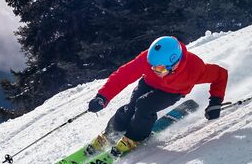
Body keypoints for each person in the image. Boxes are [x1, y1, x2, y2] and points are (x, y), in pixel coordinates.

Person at [86, 36, 228, 154]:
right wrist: (103, 97)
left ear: (175, 62)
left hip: (171, 92)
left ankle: (134, 138)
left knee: (144, 106)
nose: (154, 69)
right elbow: (124, 75)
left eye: (159, 68)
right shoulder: (149, 60)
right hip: (148, 83)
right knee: (130, 108)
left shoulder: (194, 68)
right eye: (152, 65)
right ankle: (111, 133)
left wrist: (215, 102)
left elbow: (220, 75)